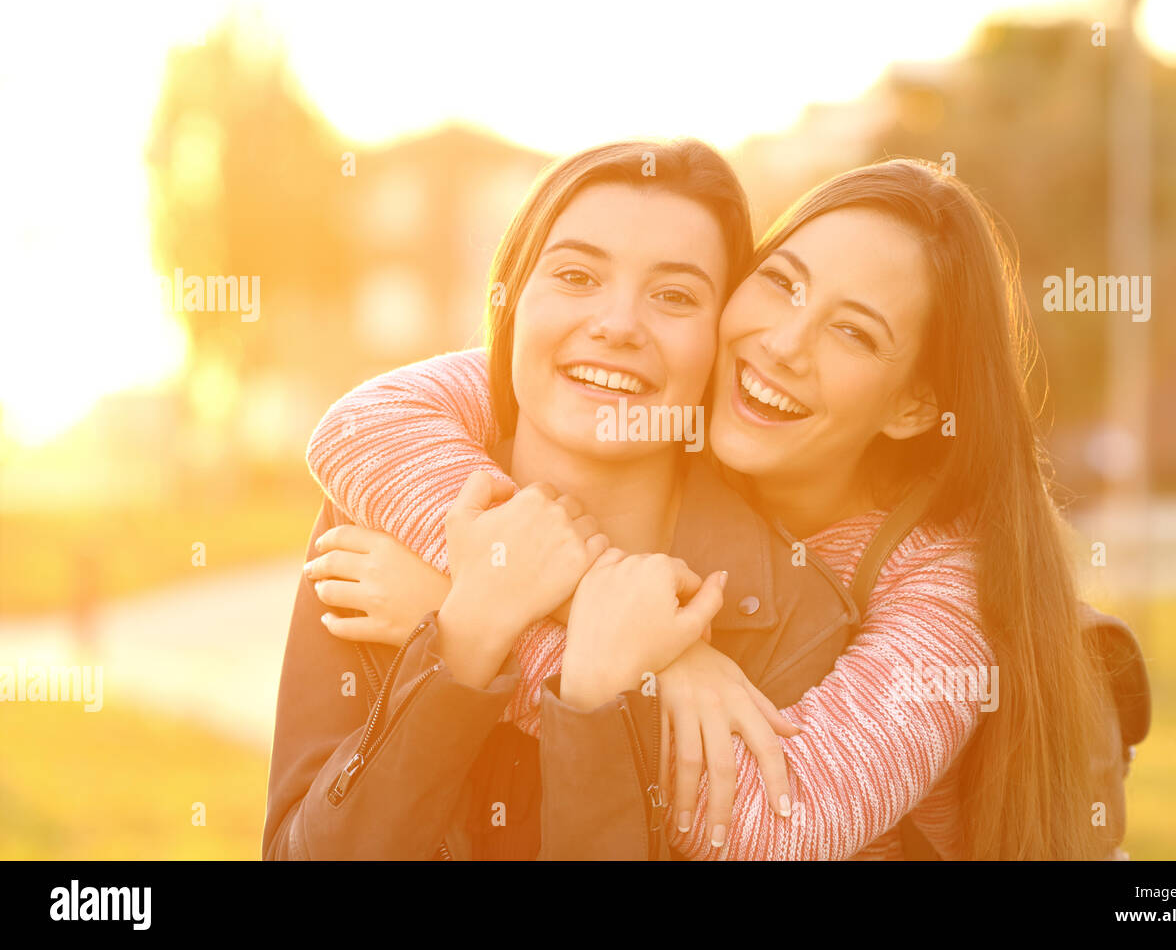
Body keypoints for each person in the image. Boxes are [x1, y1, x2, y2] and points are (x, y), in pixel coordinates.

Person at [300, 156, 1119, 859]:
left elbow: (777, 822)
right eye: (783, 284)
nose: (784, 345)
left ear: (913, 406)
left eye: (854, 334)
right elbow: (366, 425)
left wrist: (471, 631)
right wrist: (586, 613)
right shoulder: (651, 396)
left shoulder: (945, 588)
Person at [263, 139, 861, 860]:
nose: (618, 325)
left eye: (675, 296)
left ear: (720, 344)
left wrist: (594, 705)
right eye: (577, 276)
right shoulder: (379, 521)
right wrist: (465, 640)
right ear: (513, 299)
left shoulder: (795, 613)